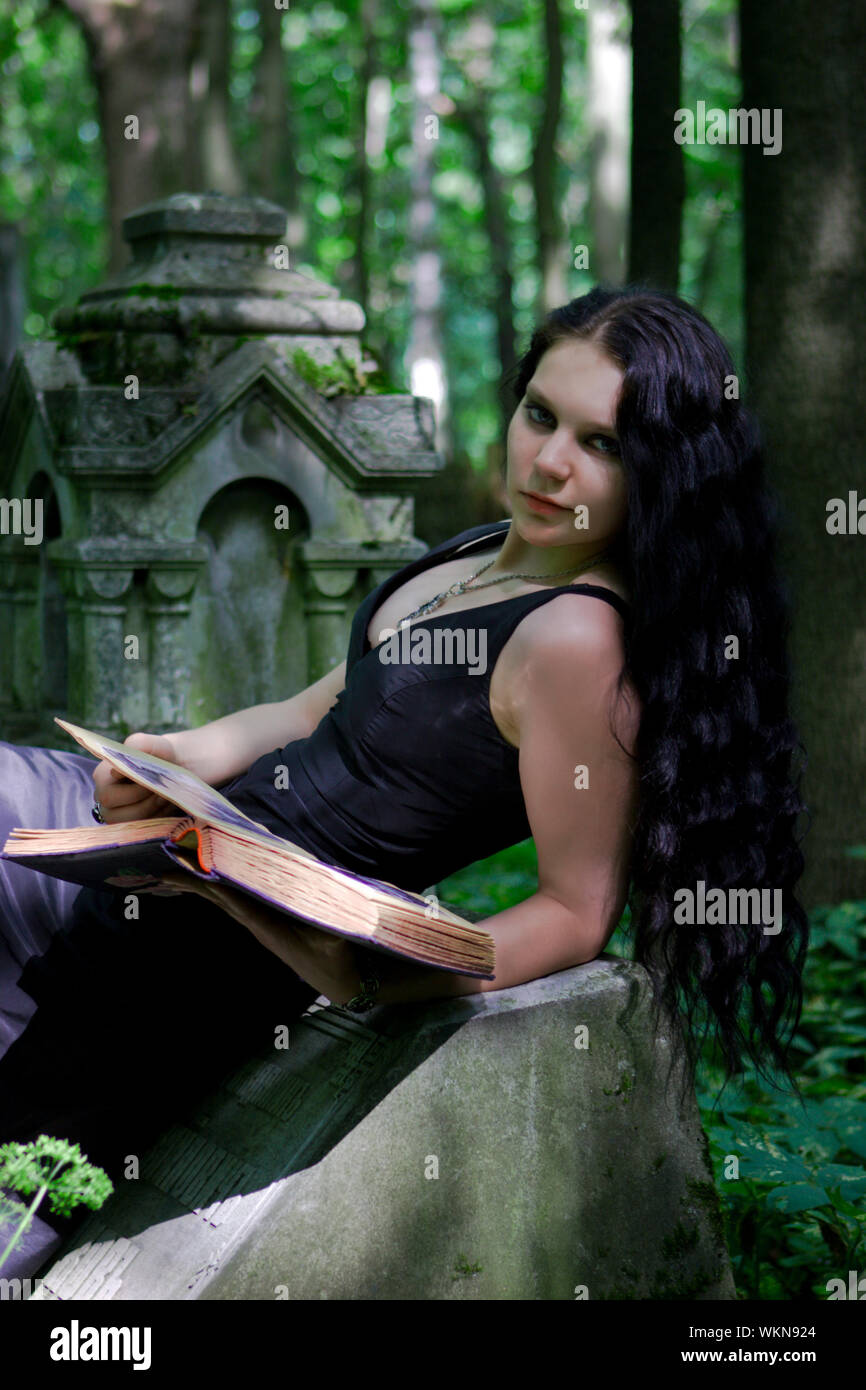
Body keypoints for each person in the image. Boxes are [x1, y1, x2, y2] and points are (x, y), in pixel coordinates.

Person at [0, 284, 809, 1275]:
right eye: (539, 415)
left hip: (233, 933)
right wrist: (176, 753)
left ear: (663, 472)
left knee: (24, 1152)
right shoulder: (482, 555)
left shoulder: (575, 641)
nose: (548, 462)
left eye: (601, 443)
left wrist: (384, 967)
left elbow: (572, 909)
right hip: (185, 844)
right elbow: (306, 715)